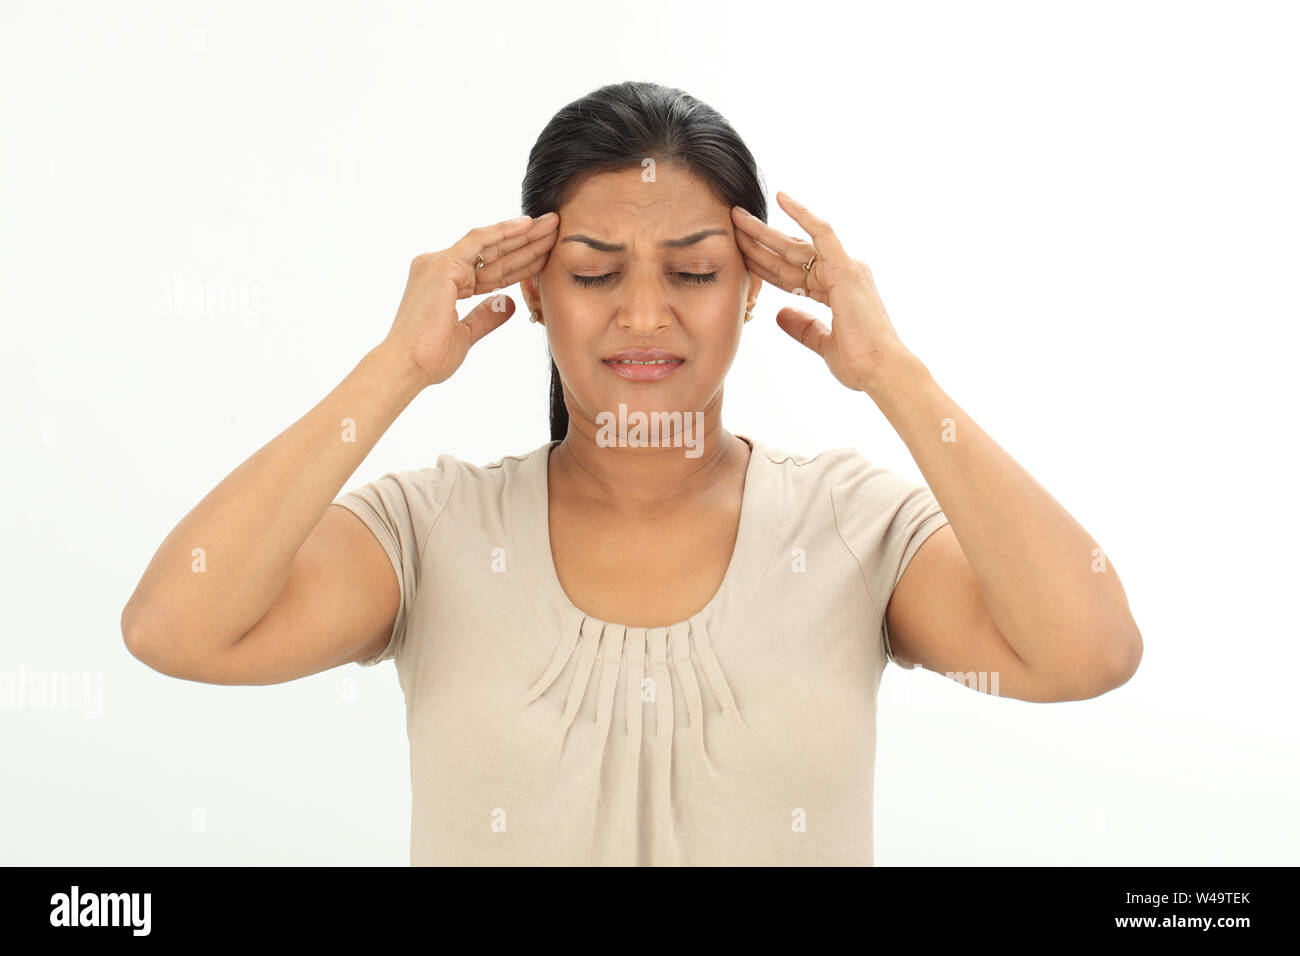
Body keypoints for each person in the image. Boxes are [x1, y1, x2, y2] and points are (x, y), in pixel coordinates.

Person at [121, 80, 1142, 865]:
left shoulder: (849, 526)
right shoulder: (432, 529)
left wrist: (894, 374)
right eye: (595, 272)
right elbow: (177, 626)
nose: (645, 315)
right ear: (531, 289)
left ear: (750, 287)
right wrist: (396, 368)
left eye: (694, 272)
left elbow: (1086, 650)